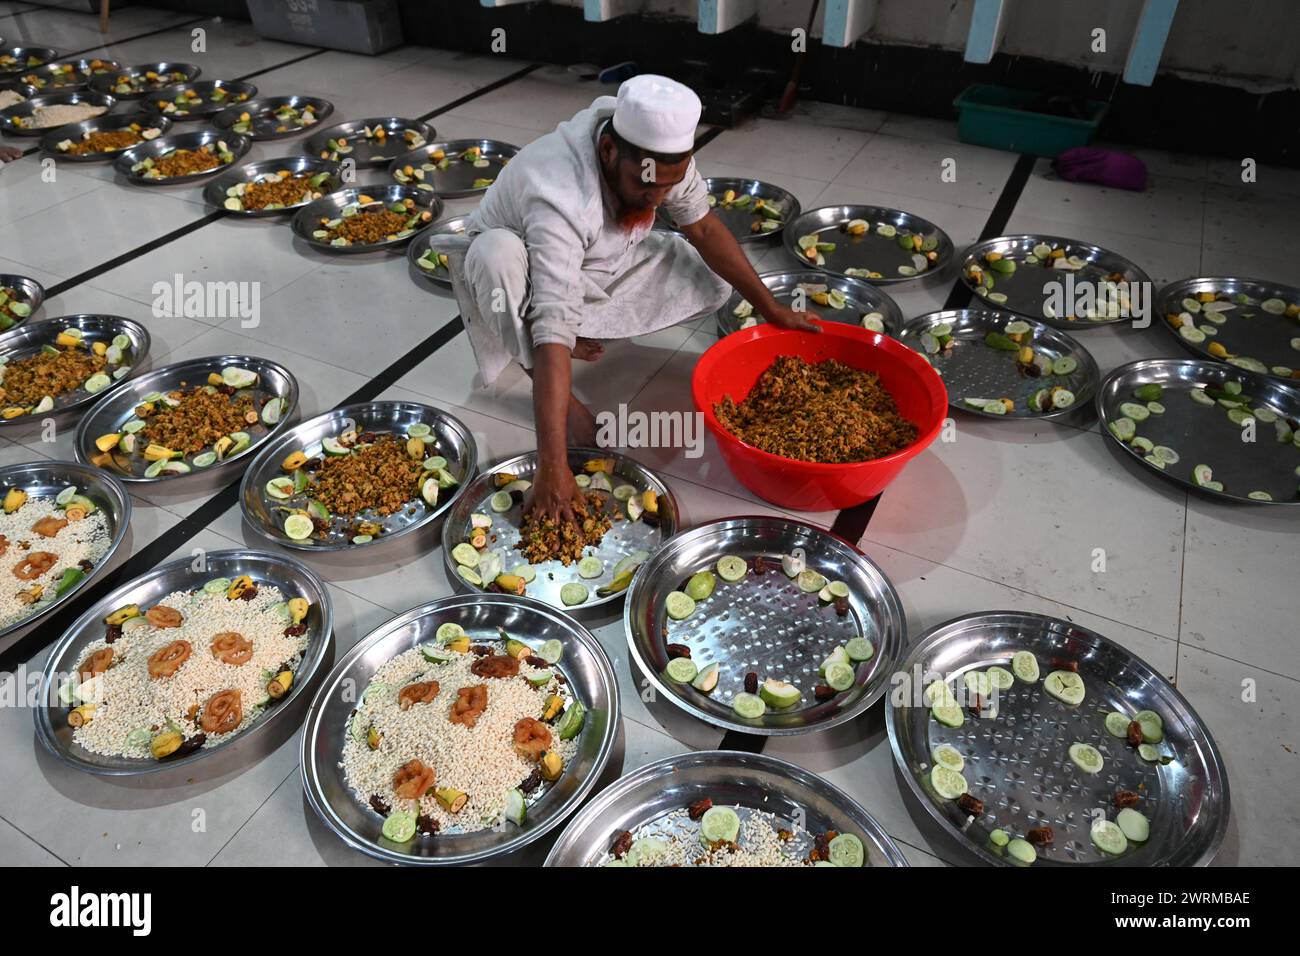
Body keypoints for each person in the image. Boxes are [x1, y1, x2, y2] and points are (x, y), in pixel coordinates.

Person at [433, 74, 818, 526]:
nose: (656, 197)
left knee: (708, 278)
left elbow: (705, 229)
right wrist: (554, 466)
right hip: (514, 266)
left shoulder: (659, 157)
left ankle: (577, 328)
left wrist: (770, 307)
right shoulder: (559, 191)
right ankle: (562, 394)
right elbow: (551, 321)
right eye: (644, 185)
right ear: (608, 151)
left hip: (593, 261)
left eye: (666, 187)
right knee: (498, 259)